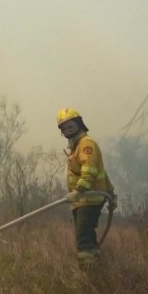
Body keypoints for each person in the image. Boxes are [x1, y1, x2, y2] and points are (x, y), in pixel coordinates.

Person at [56, 108, 117, 265]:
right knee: (86, 235)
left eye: (71, 126)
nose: (68, 130)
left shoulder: (85, 145)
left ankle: (88, 271)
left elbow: (89, 172)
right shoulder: (76, 146)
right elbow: (101, 172)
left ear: (79, 124)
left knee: (83, 239)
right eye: (64, 128)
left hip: (88, 198)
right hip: (82, 200)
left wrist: (78, 191)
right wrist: (111, 193)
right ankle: (96, 261)